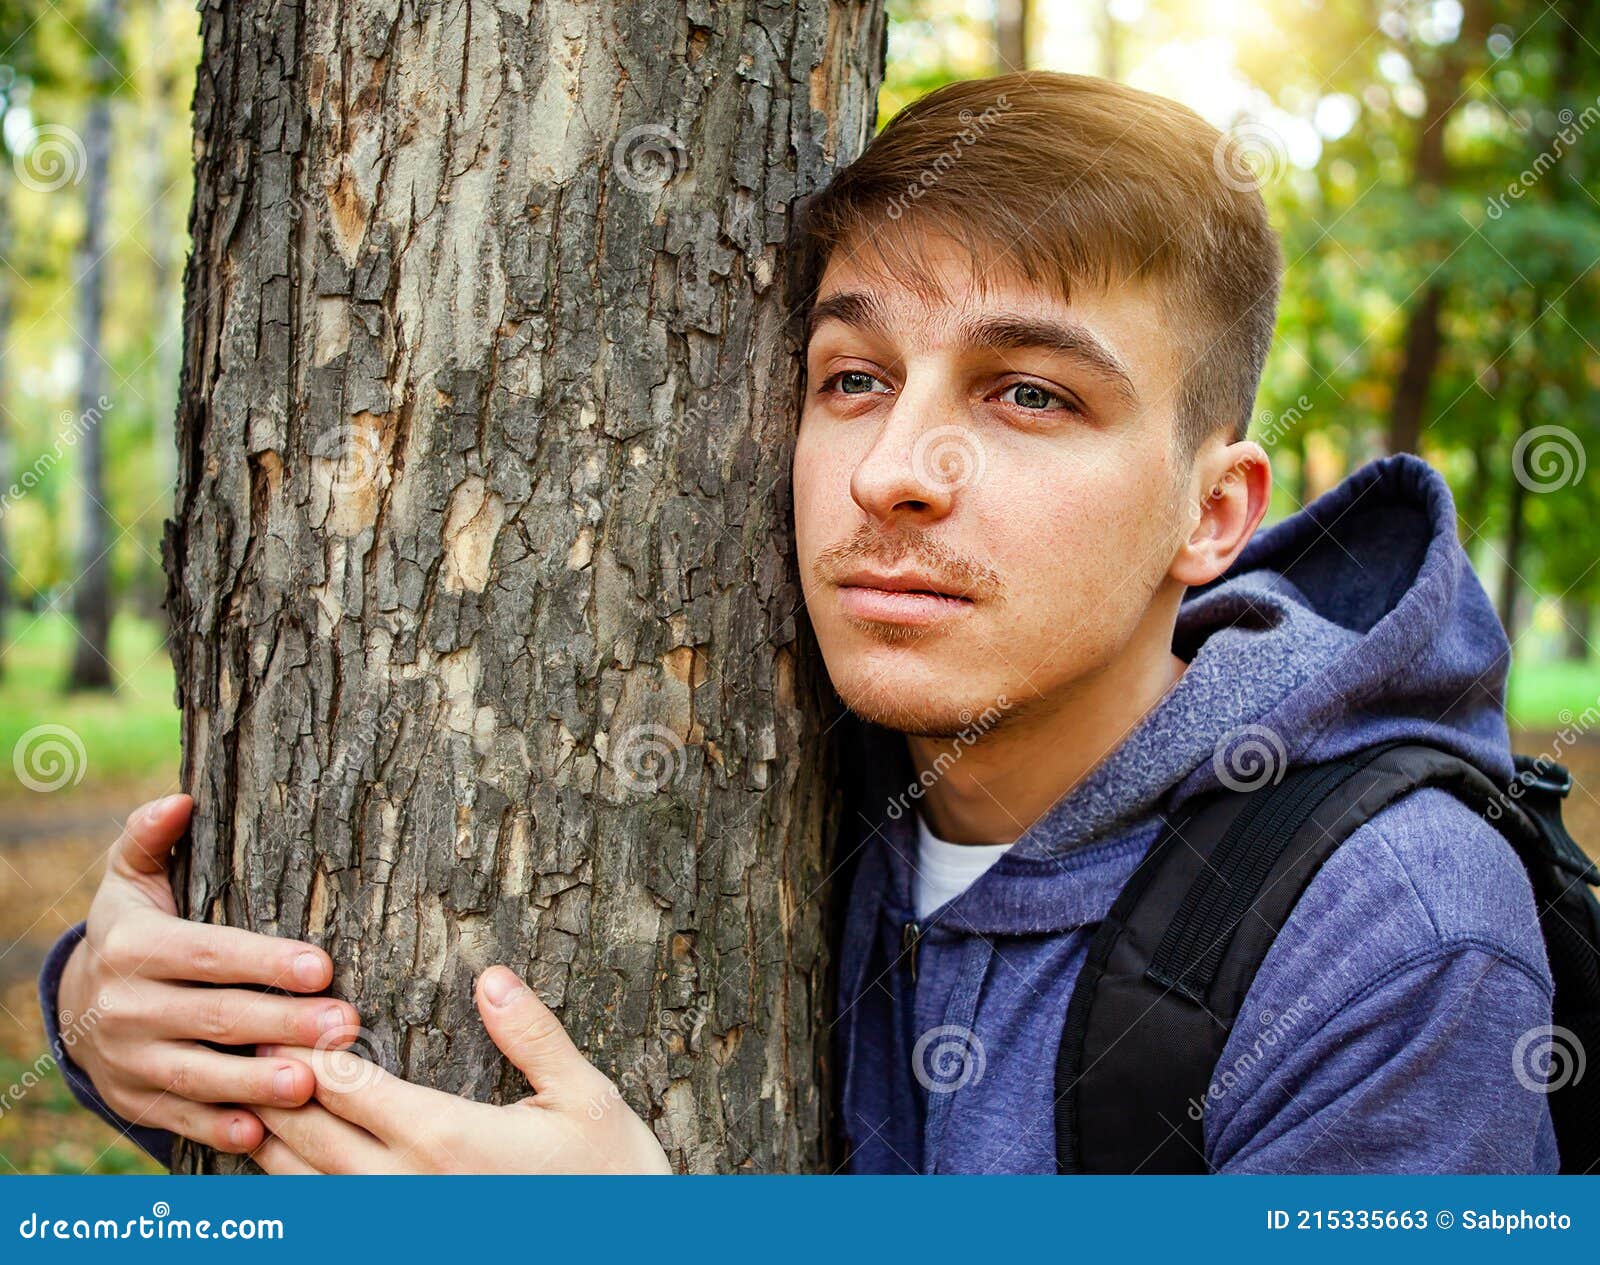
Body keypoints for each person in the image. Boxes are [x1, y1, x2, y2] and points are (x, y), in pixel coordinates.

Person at [39, 71, 1557, 1174]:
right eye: (854, 378)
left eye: (1030, 393)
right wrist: (112, 1012)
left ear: (1209, 513)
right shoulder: (766, 757)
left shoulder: (1392, 935)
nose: (896, 474)